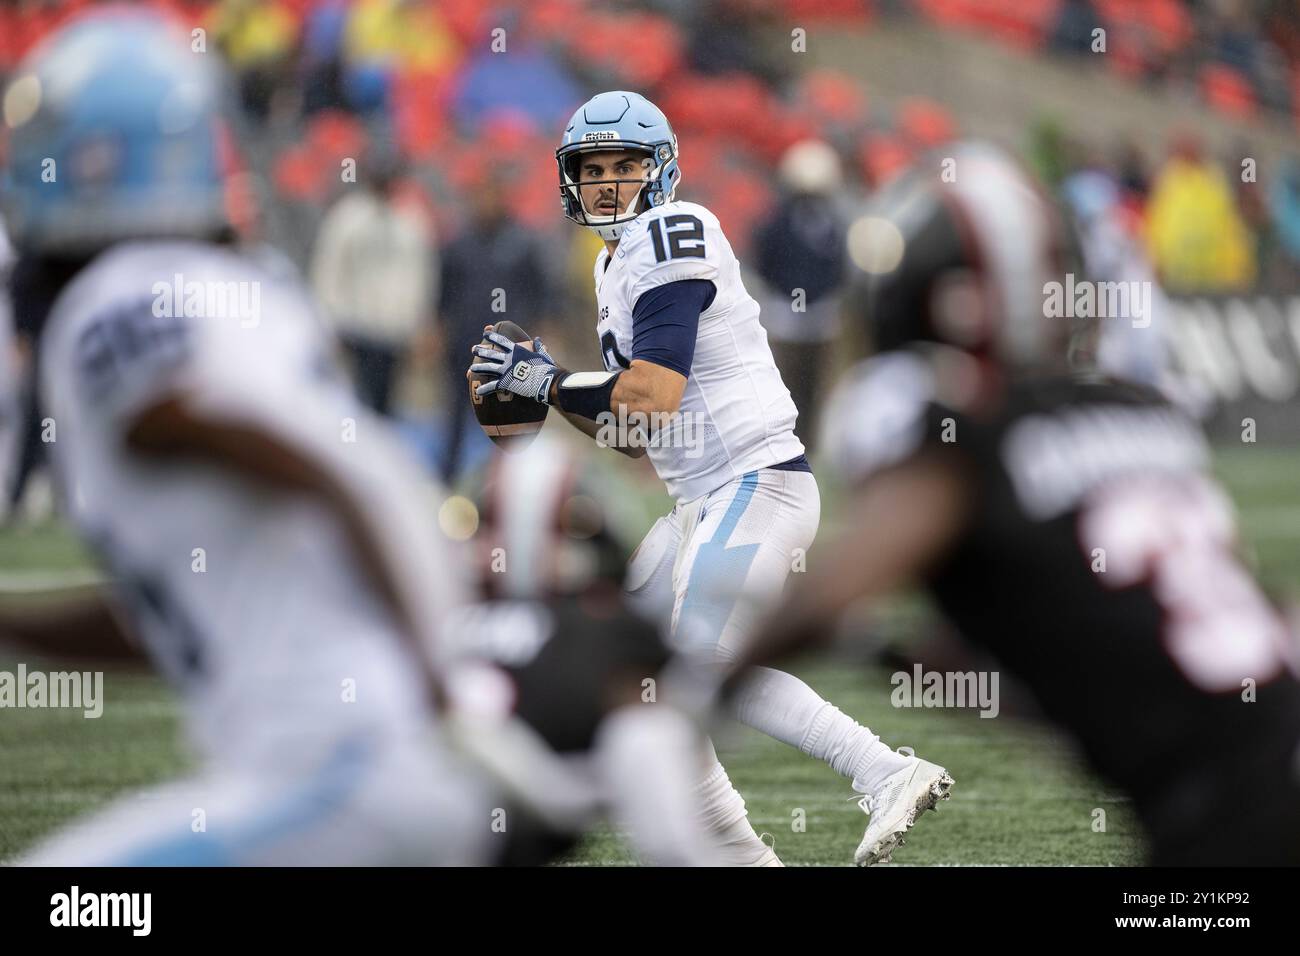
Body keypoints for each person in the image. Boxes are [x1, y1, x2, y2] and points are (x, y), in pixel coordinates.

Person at [1, 9, 490, 866]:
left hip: (339, 766)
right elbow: (179, 610)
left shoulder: (116, 301)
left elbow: (318, 466)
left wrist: (437, 677)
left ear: (97, 159)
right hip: (346, 765)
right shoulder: (232, 287)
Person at [731, 140, 1300, 865]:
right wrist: (898, 656)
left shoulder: (963, 436)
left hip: (1233, 820)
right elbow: (1106, 654)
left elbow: (829, 592)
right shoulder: (1145, 409)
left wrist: (701, 677)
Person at [469, 91, 952, 866]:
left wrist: (550, 380)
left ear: (659, 172)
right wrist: (548, 392)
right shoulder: (612, 264)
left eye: (625, 165)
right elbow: (634, 435)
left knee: (701, 665)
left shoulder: (670, 232)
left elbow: (652, 394)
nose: (606, 183)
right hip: (703, 501)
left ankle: (885, 770)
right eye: (592, 168)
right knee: (642, 687)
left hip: (755, 484)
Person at [310, 155, 434, 417]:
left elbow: (421, 275)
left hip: (393, 329)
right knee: (353, 403)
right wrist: (328, 319)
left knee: (385, 406)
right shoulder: (348, 216)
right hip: (355, 327)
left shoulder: (410, 219)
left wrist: (418, 322)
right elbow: (329, 269)